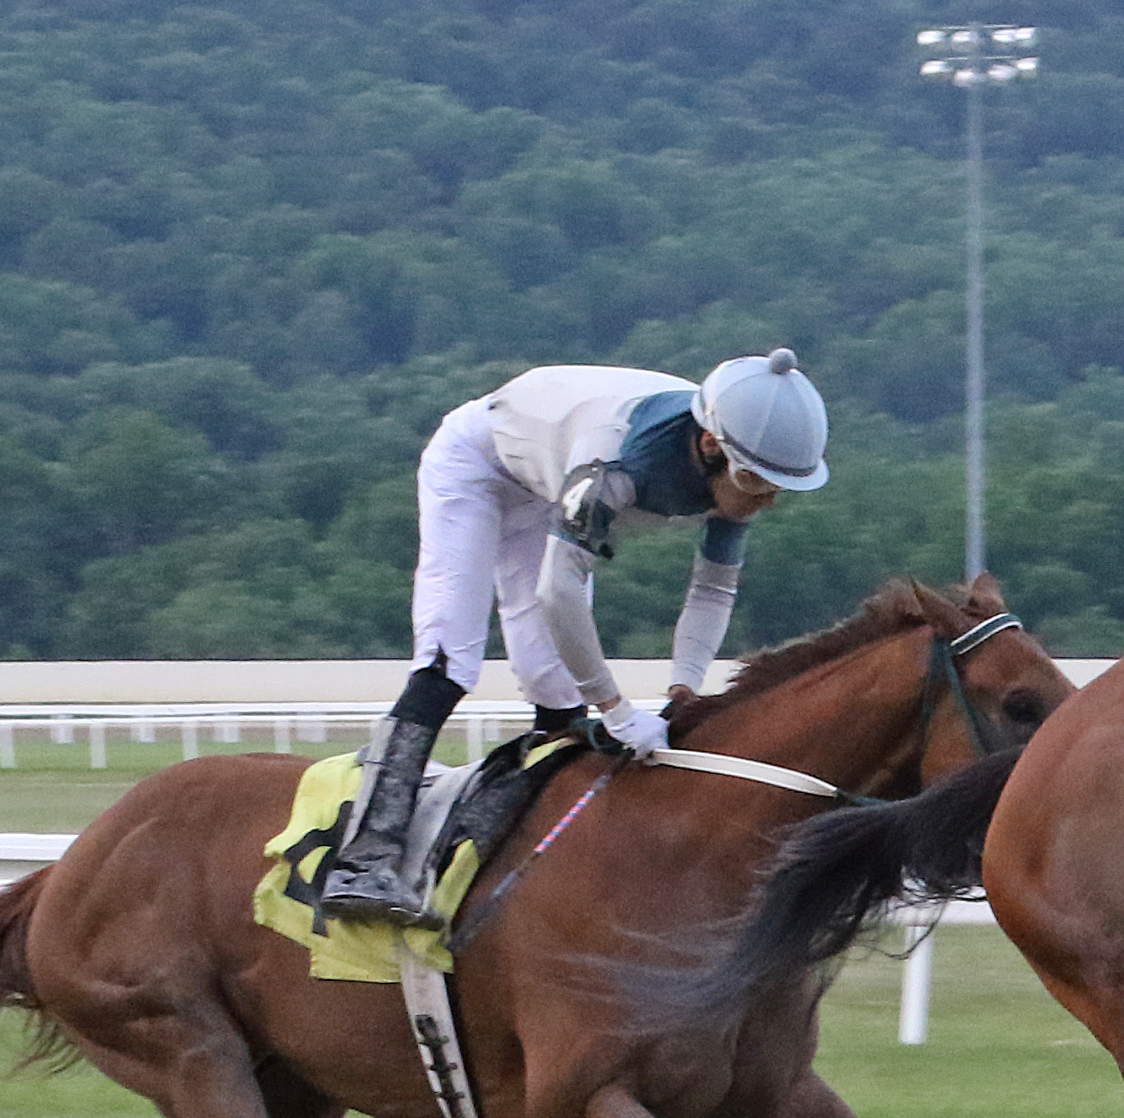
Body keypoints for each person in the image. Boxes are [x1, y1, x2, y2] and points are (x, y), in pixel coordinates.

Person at [318, 349, 831, 922]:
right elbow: (558, 594)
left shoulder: (733, 452)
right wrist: (613, 707)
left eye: (780, 487)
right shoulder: (615, 464)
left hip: (549, 483)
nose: (765, 500)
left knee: (555, 687)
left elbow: (712, 590)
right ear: (710, 445)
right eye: (756, 482)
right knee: (450, 658)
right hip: (479, 465)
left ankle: (524, 867)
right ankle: (363, 861)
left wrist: (683, 691)